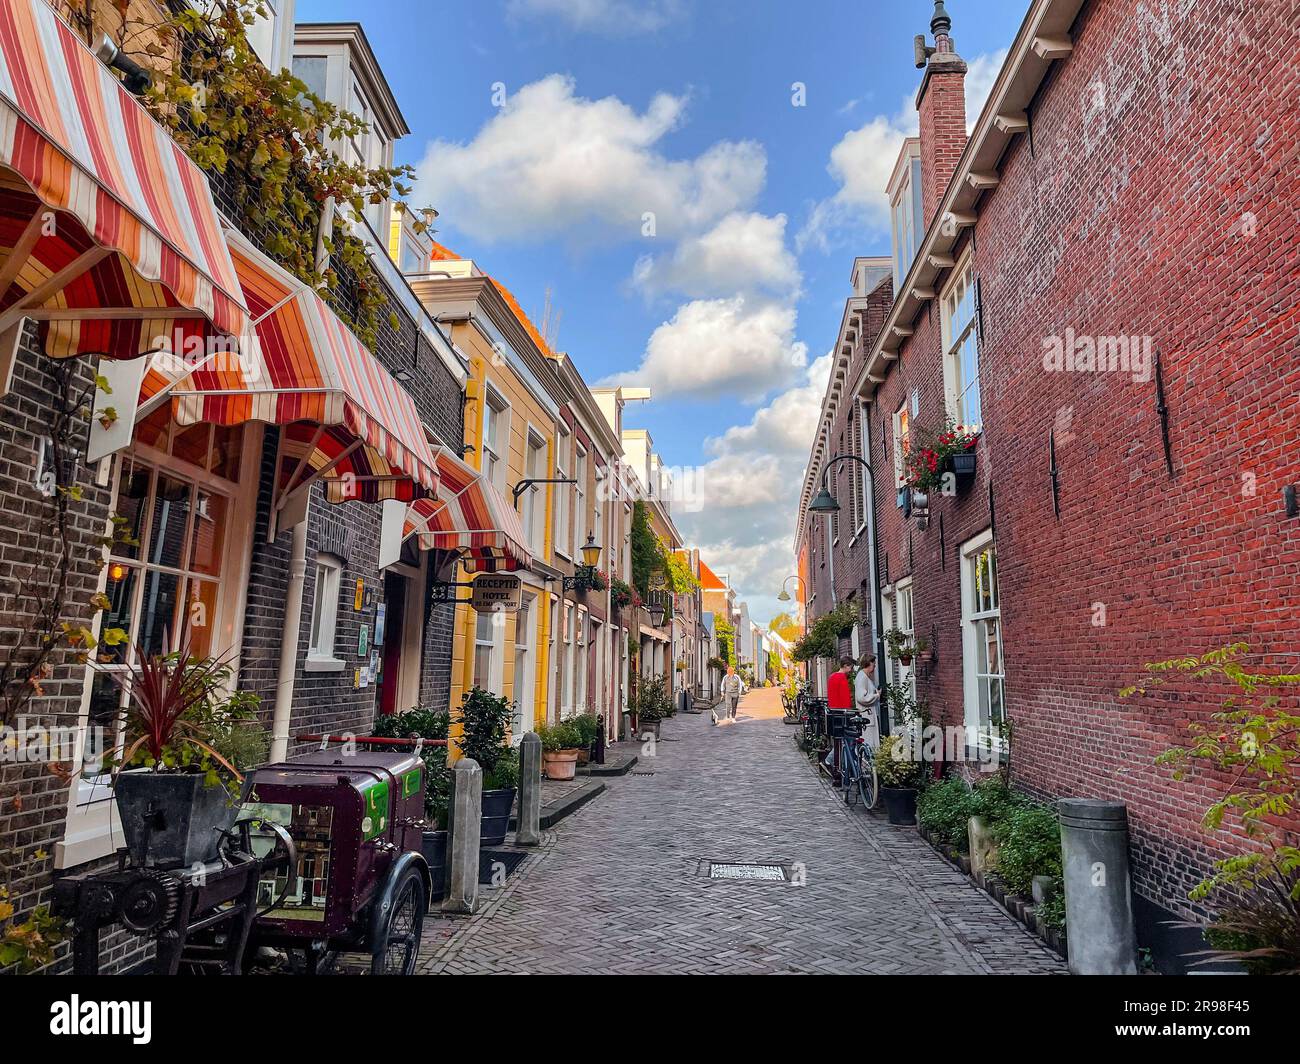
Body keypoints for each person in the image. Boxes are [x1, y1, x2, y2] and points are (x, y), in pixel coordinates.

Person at [854, 653, 881, 748]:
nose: (875, 667)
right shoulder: (862, 678)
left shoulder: (864, 677)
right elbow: (861, 697)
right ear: (869, 664)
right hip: (867, 716)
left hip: (868, 716)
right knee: (868, 742)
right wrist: (876, 695)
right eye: (874, 664)